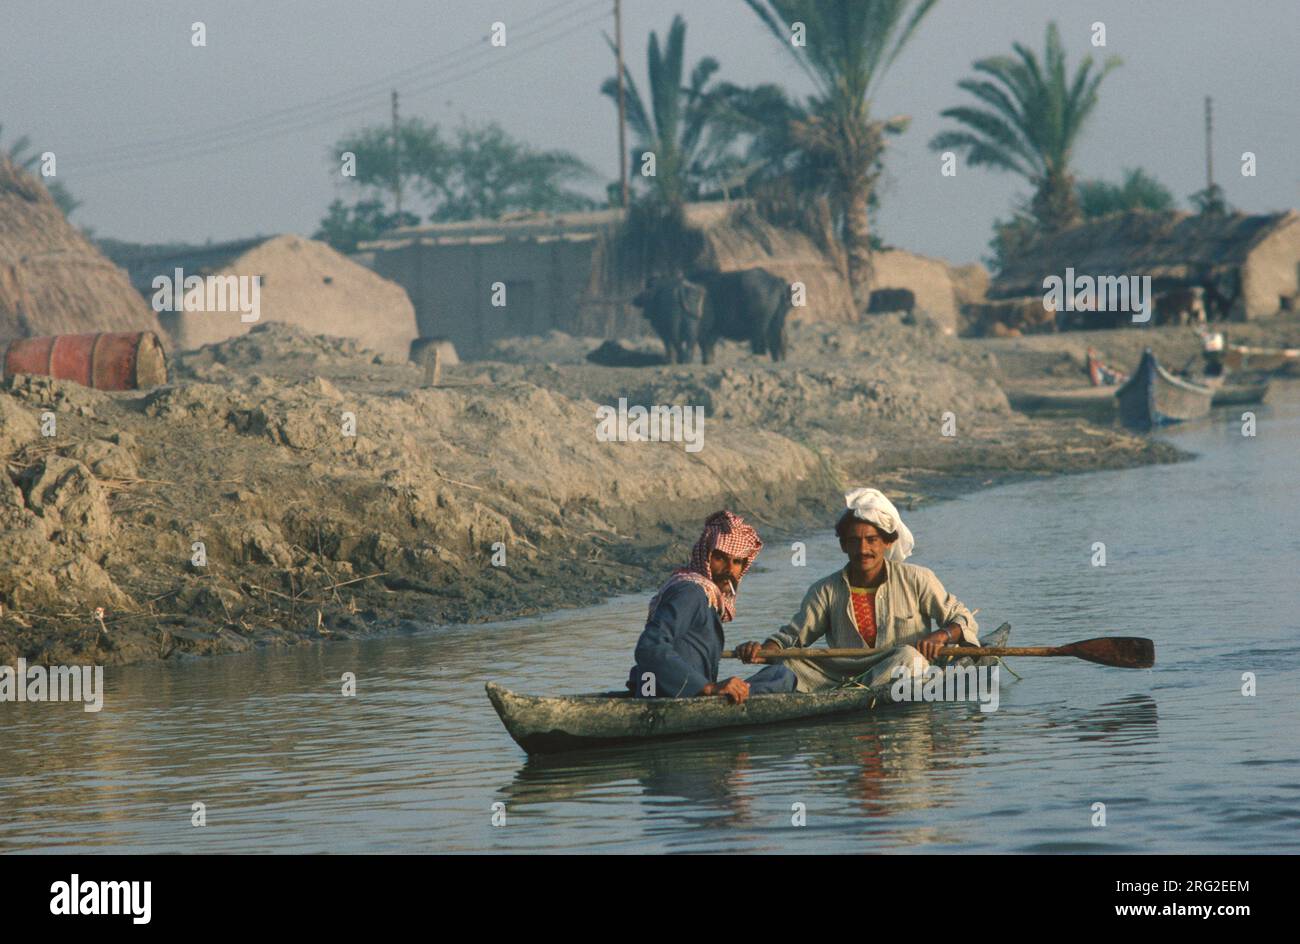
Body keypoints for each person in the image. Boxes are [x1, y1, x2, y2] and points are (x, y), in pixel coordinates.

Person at [734, 488, 978, 692]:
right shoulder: (825, 590)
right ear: (843, 545)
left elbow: (963, 619)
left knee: (910, 656)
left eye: (871, 540)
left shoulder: (917, 578)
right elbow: (791, 639)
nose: (863, 550)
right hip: (839, 675)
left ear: (887, 542)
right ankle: (738, 692)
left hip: (897, 667)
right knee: (789, 663)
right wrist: (761, 651)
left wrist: (941, 636)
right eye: (854, 541)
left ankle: (856, 692)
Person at [628, 510, 796, 703]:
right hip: (674, 695)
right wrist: (707, 688)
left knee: (778, 674)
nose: (729, 569)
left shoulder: (706, 595)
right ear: (706, 557)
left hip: (672, 690)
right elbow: (649, 648)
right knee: (782, 677)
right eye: (720, 558)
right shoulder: (692, 592)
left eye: (737, 562)